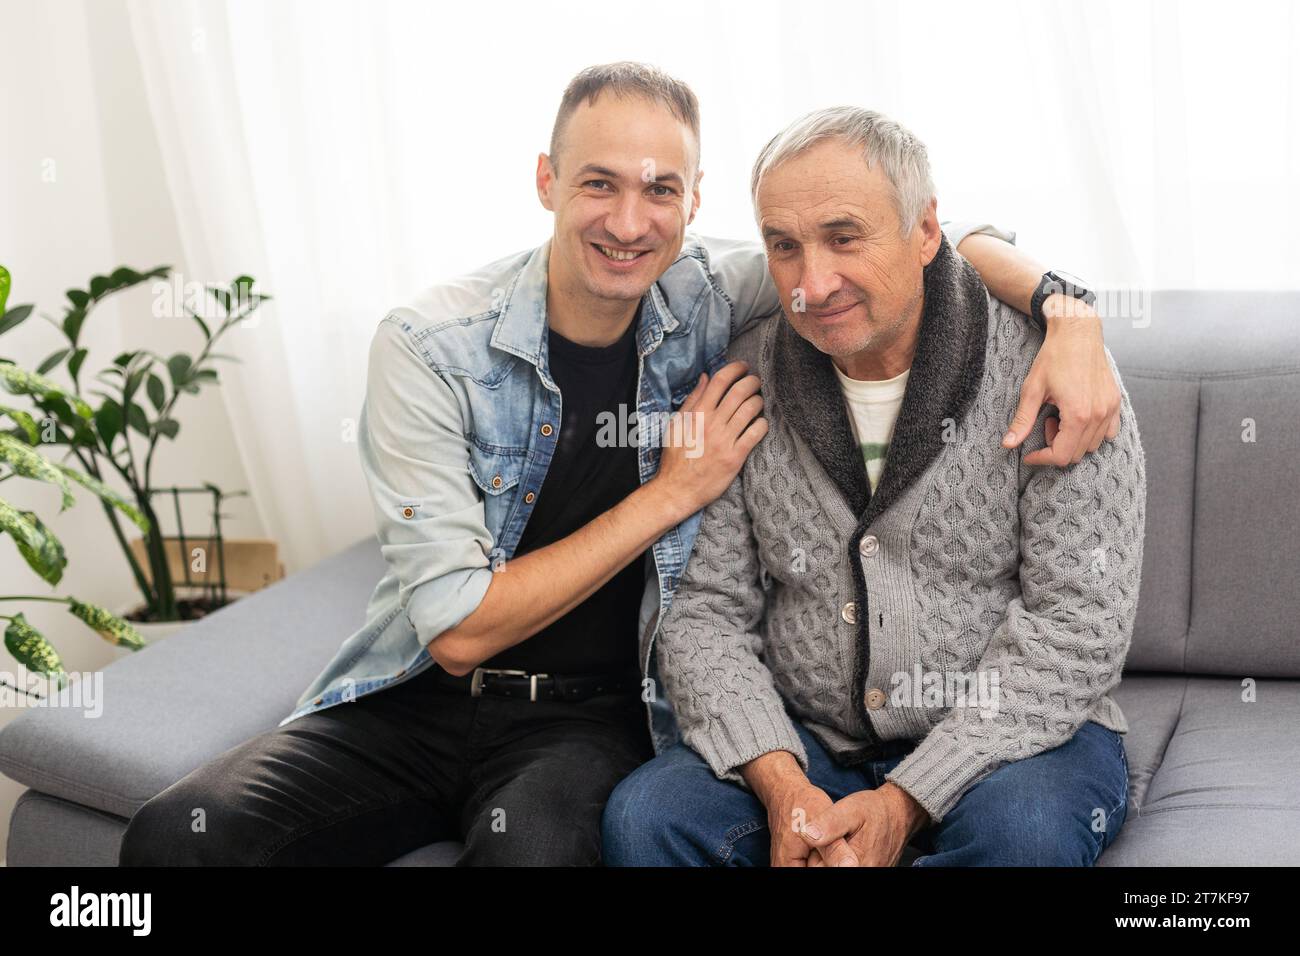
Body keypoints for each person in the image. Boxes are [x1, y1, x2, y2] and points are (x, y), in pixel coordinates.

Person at [119, 65, 1121, 867]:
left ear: (691, 203)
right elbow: (460, 630)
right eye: (598, 181)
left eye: (660, 189)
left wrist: (1069, 312)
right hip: (417, 691)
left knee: (552, 847)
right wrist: (671, 492)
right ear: (547, 180)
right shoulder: (430, 346)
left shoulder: (725, 293)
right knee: (175, 836)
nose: (629, 221)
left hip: (589, 713)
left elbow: (915, 238)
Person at [602, 105, 1145, 867]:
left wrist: (905, 802)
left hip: (1016, 745)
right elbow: (704, 617)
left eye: (844, 236)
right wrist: (783, 787)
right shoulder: (742, 381)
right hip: (812, 743)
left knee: (1022, 839)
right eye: (784, 247)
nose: (812, 283)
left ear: (927, 232)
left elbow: (1077, 627)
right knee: (647, 819)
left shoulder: (1059, 378)